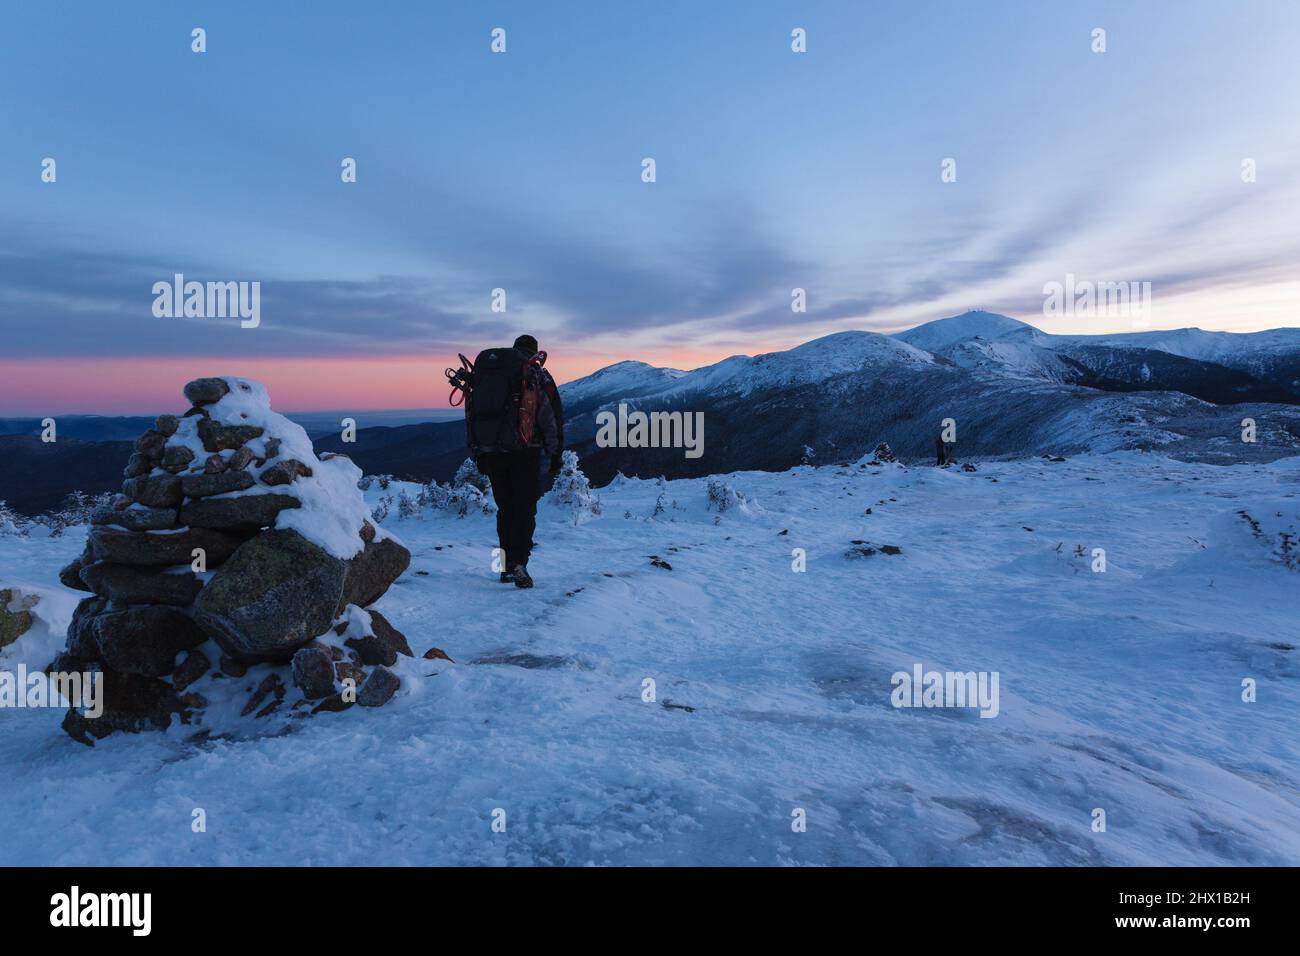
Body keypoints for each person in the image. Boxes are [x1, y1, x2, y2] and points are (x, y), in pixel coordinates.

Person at [473, 335, 562, 588]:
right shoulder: (534, 374)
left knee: (506, 510)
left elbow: (473, 414)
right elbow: (550, 416)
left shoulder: (491, 375)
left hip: (491, 451)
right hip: (525, 452)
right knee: (524, 510)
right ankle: (518, 565)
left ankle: (505, 567)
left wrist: (479, 451)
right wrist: (554, 453)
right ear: (533, 351)